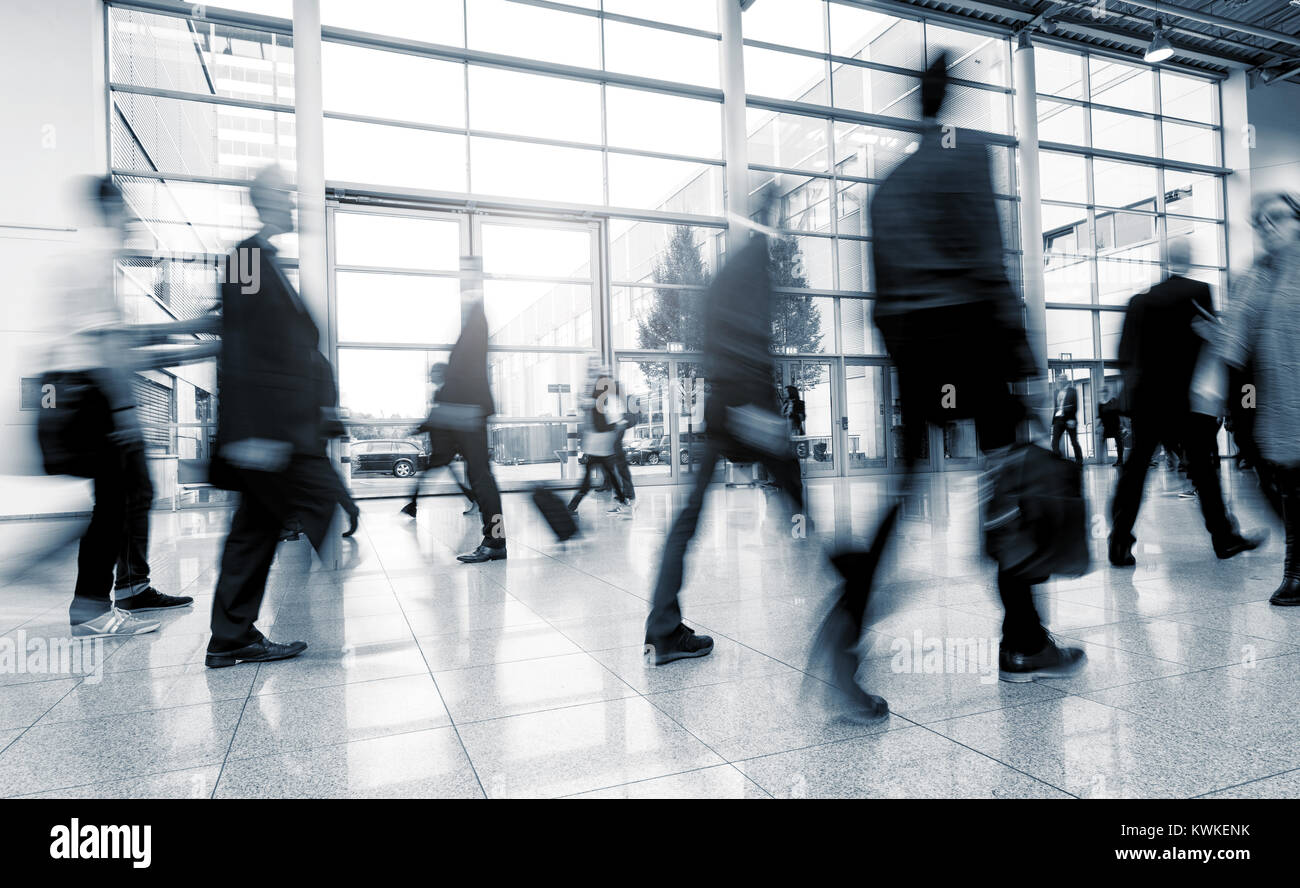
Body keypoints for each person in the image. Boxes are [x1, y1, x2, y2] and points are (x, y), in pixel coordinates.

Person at [808, 53, 1085, 717]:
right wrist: (1024, 362)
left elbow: (879, 301)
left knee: (904, 493)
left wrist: (910, 363)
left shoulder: (888, 186)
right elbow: (990, 264)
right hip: (975, 338)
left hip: (919, 350)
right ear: (952, 100)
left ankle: (845, 637)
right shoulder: (969, 158)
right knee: (1010, 482)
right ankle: (1022, 641)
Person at [644, 187, 806, 666]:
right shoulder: (756, 266)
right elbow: (749, 342)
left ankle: (663, 629)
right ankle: (846, 608)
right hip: (745, 404)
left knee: (688, 518)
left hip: (719, 406)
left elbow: (716, 341)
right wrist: (761, 413)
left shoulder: (723, 273)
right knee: (797, 501)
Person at [205, 166, 333, 668]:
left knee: (256, 526)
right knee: (281, 520)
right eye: (283, 192)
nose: (292, 200)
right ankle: (230, 636)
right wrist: (251, 430)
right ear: (261, 200)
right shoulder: (247, 258)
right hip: (268, 429)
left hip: (279, 427)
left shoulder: (266, 260)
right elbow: (236, 342)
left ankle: (231, 636)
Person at [55, 177, 193, 638]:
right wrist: (123, 413)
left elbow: (121, 341)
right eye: (128, 213)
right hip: (95, 397)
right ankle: (92, 608)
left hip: (89, 392)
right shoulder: (94, 259)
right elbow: (106, 346)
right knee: (114, 504)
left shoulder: (90, 259)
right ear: (111, 210)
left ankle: (128, 588)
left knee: (126, 497)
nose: (132, 223)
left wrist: (189, 334)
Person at [1108, 237, 1261, 568]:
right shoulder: (1197, 293)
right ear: (1187, 259)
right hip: (1184, 401)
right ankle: (1224, 538)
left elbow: (1123, 355)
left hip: (1147, 402)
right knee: (1204, 473)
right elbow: (1214, 341)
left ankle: (1119, 542)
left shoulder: (1139, 302)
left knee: (1135, 473)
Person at [1217, 192, 1300, 605]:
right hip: (1278, 399)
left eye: (1276, 217)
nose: (1266, 226)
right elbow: (1236, 330)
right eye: (1258, 220)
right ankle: (1296, 571)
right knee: (1285, 485)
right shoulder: (1254, 275)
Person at [423, 299, 507, 564]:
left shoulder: (473, 331)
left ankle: (495, 541)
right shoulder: (473, 332)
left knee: (482, 480)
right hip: (469, 418)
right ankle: (495, 540)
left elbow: (461, 382)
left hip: (469, 418)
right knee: (481, 479)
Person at [400, 362, 477, 519]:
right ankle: (475, 501)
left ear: (442, 373)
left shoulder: (447, 392)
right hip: (444, 446)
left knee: (424, 477)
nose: (431, 375)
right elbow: (435, 419)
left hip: (445, 446)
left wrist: (416, 430)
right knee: (451, 477)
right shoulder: (440, 392)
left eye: (434, 372)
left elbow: (437, 420)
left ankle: (412, 506)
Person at [568, 373, 632, 515]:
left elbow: (597, 422)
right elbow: (603, 426)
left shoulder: (598, 403)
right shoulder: (600, 403)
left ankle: (572, 507)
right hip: (601, 449)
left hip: (598, 449)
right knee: (607, 477)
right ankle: (623, 500)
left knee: (596, 480)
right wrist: (617, 424)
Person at [1050, 372, 1083, 465]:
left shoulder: (1073, 391)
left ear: (1066, 380)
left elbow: (1076, 406)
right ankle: (1058, 461)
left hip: (1070, 419)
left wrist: (1072, 419)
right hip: (1058, 419)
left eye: (1062, 379)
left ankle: (1079, 460)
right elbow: (1055, 407)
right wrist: (1053, 422)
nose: (1060, 381)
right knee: (1054, 442)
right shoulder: (1056, 392)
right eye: (1059, 379)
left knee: (1074, 442)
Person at [1098, 386, 1124, 467]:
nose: (1104, 394)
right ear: (1101, 393)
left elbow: (1119, 413)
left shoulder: (1113, 401)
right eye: (1103, 392)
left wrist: (1122, 425)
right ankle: (1100, 460)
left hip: (1115, 425)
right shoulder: (1100, 404)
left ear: (1107, 393)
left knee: (1119, 442)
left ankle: (1120, 460)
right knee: (1102, 440)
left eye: (1105, 392)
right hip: (1106, 426)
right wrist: (1098, 426)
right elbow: (1100, 416)